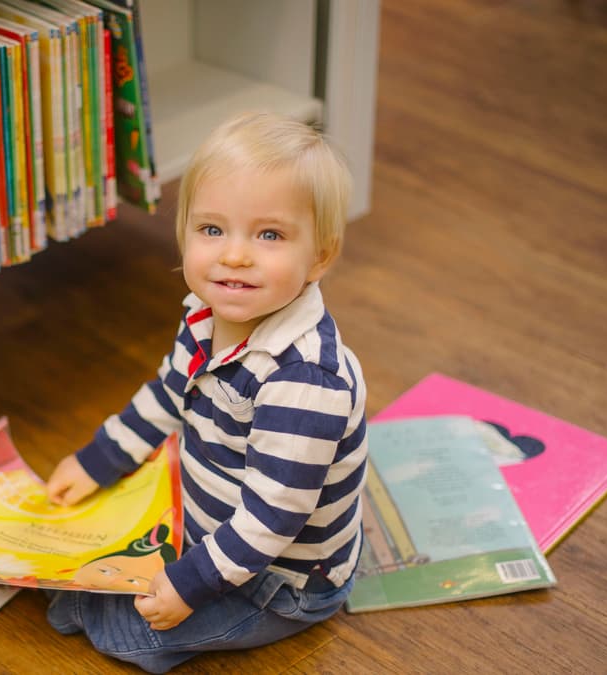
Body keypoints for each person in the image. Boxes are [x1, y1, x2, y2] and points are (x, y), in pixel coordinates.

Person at [44, 111, 369, 673]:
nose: (234, 255)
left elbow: (271, 519)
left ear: (320, 255)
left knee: (131, 638)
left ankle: (94, 605)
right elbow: (168, 395)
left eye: (269, 235)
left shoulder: (303, 381)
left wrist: (189, 585)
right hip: (213, 527)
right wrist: (99, 459)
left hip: (279, 579)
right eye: (212, 230)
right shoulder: (203, 315)